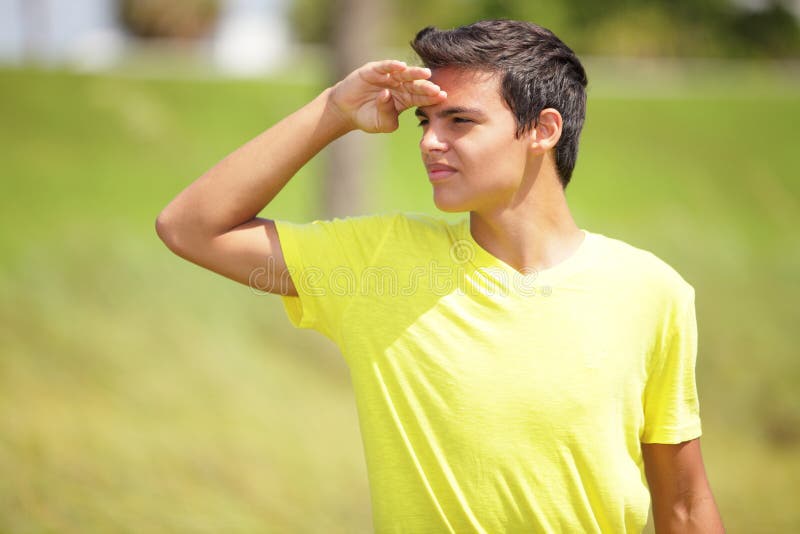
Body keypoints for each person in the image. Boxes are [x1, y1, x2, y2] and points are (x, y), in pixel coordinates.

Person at [156, 19, 725, 534]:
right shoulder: (377, 262)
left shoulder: (652, 291)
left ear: (543, 130)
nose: (429, 140)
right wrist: (333, 110)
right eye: (425, 121)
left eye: (460, 120)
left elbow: (683, 507)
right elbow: (190, 228)